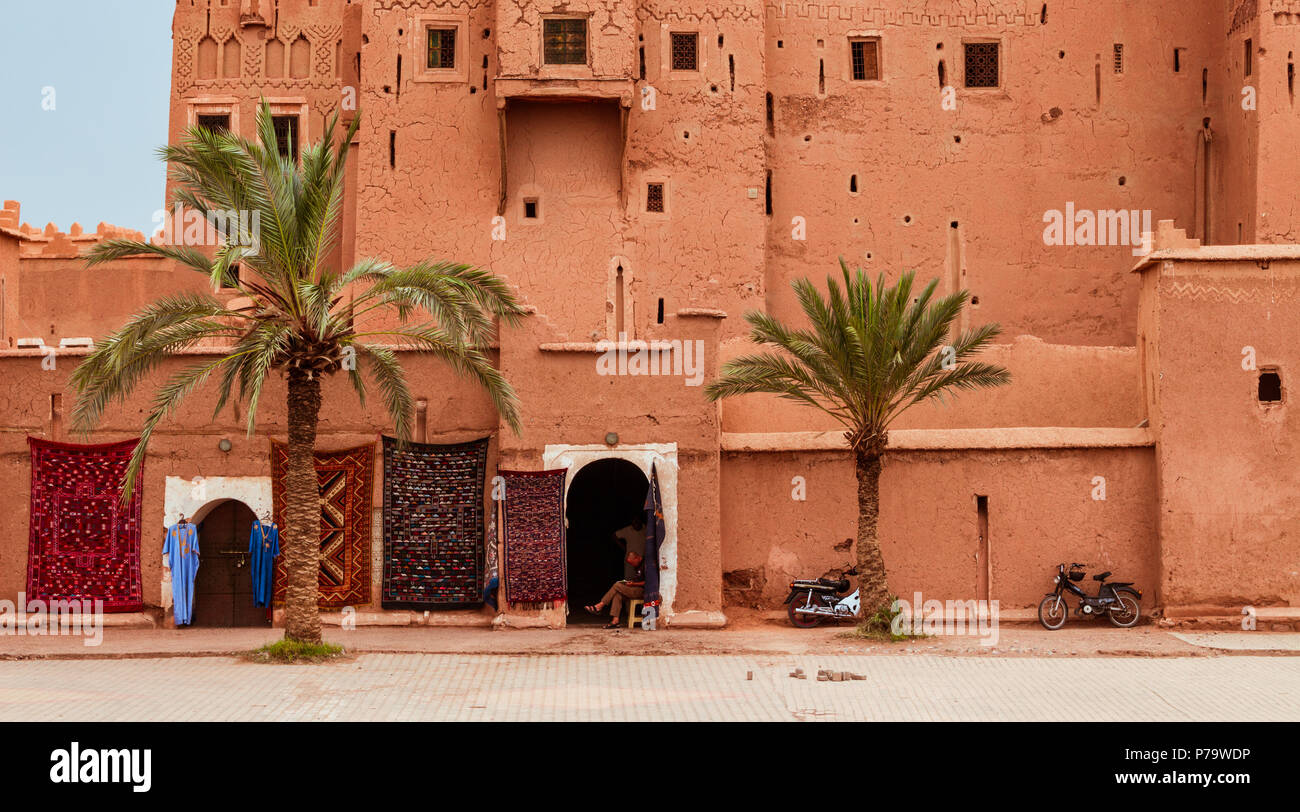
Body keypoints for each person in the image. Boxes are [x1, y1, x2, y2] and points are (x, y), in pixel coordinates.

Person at [584, 516, 647, 629]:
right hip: (635, 588)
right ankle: (615, 620)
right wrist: (631, 582)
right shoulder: (637, 565)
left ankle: (599, 606)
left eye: (632, 563)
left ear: (638, 558)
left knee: (617, 585)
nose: (632, 565)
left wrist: (633, 584)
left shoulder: (646, 565)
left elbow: (647, 583)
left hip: (642, 591)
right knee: (618, 593)